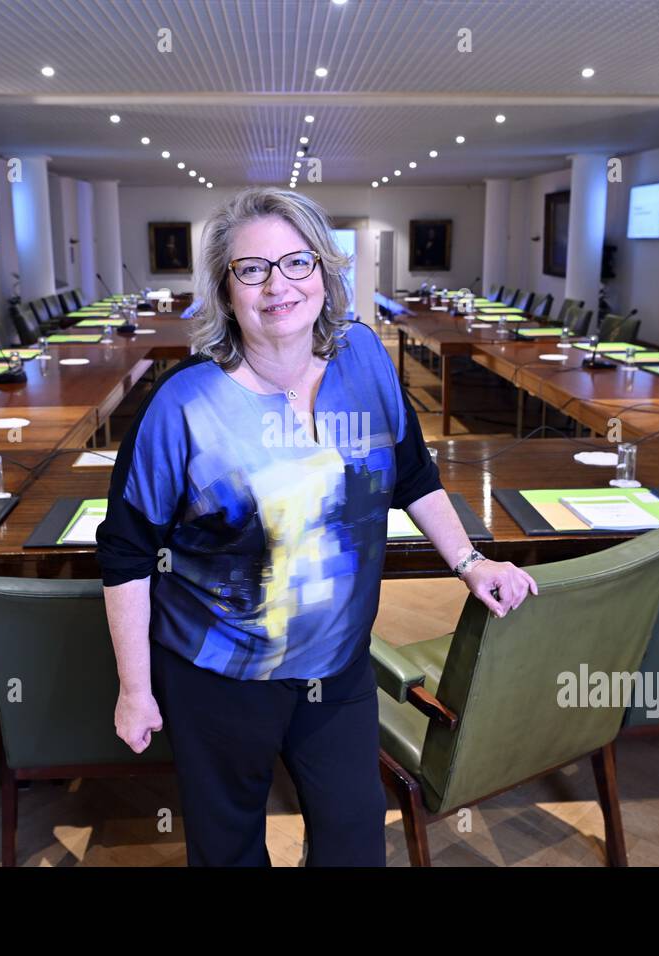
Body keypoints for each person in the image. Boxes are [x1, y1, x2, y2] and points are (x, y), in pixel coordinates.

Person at [96, 186, 536, 867]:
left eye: (297, 263)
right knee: (228, 847)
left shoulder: (363, 358)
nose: (278, 286)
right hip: (217, 675)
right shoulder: (181, 405)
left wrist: (469, 561)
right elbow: (126, 553)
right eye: (252, 269)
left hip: (337, 667)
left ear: (326, 272)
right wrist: (134, 689)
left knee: (355, 839)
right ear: (225, 288)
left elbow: (413, 476)